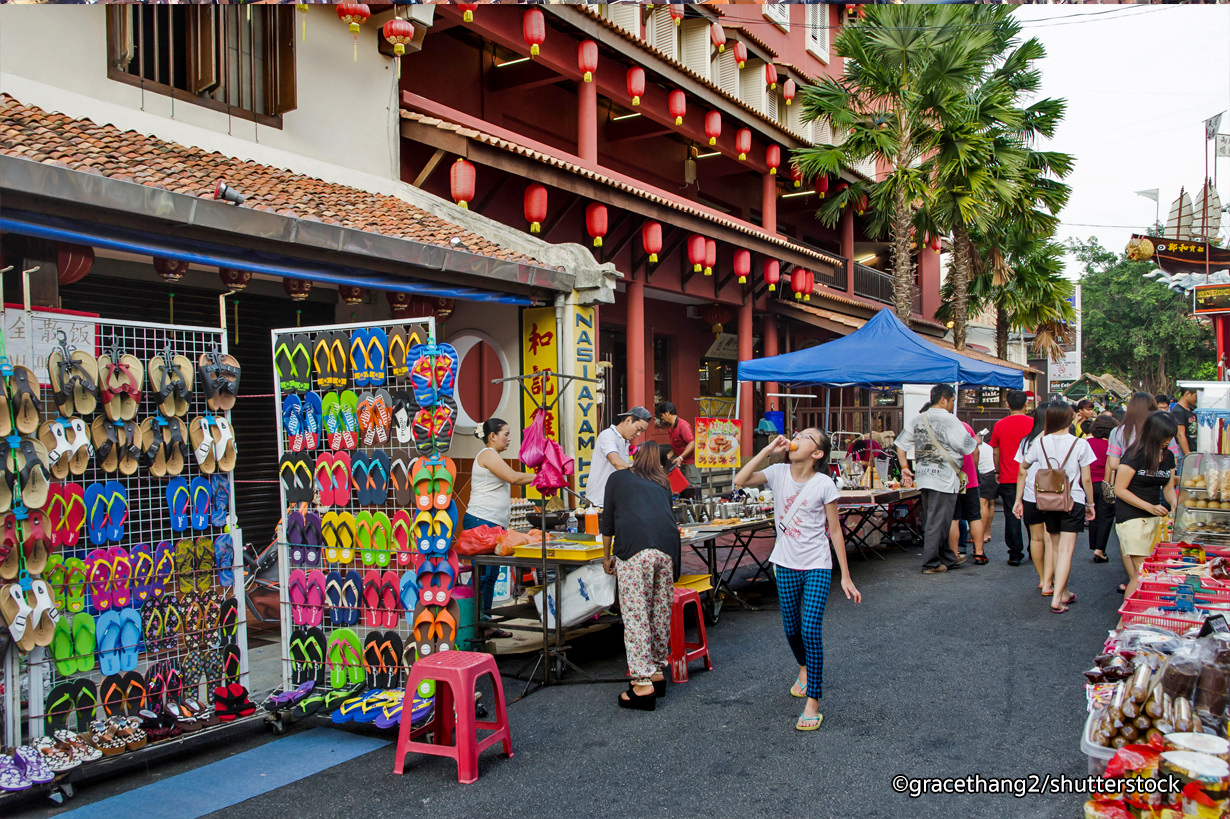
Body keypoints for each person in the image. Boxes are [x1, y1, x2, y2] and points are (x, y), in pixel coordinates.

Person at [734, 427, 860, 731]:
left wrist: (845, 575)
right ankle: (804, 667)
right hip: (785, 563)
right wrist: (767, 451)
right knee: (791, 629)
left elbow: (835, 530)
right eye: (798, 434)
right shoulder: (777, 471)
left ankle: (813, 702)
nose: (797, 437)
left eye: (806, 437)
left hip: (817, 564)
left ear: (817, 453)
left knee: (810, 629)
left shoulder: (824, 484)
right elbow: (739, 481)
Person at [601, 442, 682, 711]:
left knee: (636, 616)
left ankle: (642, 684)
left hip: (635, 552)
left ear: (634, 457)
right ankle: (657, 671)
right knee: (658, 613)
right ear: (658, 462)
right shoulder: (662, 482)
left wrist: (606, 556)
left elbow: (608, 522)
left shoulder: (618, 478)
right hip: (666, 551)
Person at [1013, 401, 1096, 614]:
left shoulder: (1039, 443)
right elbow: (1086, 479)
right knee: (1066, 551)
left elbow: (1023, 466)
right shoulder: (1080, 444)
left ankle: (1064, 591)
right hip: (1073, 500)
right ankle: (1057, 598)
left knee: (1057, 547)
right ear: (1070, 419)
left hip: (1048, 501)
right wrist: (1090, 503)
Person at [895, 384, 977, 575]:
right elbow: (968, 446)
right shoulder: (950, 420)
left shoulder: (918, 419)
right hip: (944, 478)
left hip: (924, 476)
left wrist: (905, 468)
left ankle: (947, 557)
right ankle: (931, 563)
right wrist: (977, 442)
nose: (952, 405)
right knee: (938, 521)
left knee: (936, 519)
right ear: (943, 399)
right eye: (953, 401)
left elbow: (900, 445)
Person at [465, 418, 536, 640]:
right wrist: (543, 478)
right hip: (481, 523)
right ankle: (476, 623)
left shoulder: (494, 456)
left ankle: (485, 622)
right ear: (492, 436)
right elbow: (514, 477)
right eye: (505, 434)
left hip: (492, 525)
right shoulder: (488, 455)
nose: (509, 438)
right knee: (484, 576)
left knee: (491, 575)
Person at [1107, 392, 1168, 593]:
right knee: (1147, 551)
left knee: (1129, 547)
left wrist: (1128, 466)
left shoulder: (1118, 431)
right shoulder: (1157, 431)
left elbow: (1114, 463)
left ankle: (1133, 581)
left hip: (1127, 492)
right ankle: (1137, 585)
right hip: (1148, 493)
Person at [1114, 412, 1178, 602]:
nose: (1168, 441)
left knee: (1150, 572)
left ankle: (1140, 615)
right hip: (1132, 517)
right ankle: (1124, 622)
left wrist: (1175, 506)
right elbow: (1120, 489)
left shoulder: (1168, 456)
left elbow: (1168, 487)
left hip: (1156, 518)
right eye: (1165, 436)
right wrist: (1149, 506)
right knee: (1143, 572)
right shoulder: (1134, 454)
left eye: (1170, 436)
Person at [989, 389, 1034, 566]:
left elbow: (996, 451)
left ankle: (1015, 553)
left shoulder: (1000, 425)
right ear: (1026, 404)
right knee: (1032, 515)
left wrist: (997, 471)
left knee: (1011, 515)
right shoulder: (1034, 423)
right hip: (1030, 477)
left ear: (1007, 404)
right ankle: (1035, 548)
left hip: (1008, 477)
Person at [1015, 405, 1053, 594]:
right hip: (1054, 496)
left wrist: (1018, 499)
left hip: (1031, 495)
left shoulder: (1026, 442)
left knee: (1036, 539)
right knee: (1050, 539)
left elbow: (1021, 473)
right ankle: (1049, 580)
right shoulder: (1055, 440)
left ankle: (1041, 579)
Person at [585, 406, 652, 507]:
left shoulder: (625, 441)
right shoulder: (608, 435)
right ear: (628, 420)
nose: (638, 434)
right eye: (638, 429)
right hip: (598, 501)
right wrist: (641, 477)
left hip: (615, 500)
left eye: (642, 432)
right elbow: (616, 462)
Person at [948, 419, 986, 564]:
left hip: (951, 478)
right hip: (968, 477)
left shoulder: (940, 427)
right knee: (974, 516)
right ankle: (979, 553)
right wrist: (973, 471)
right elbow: (975, 451)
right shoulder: (965, 427)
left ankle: (953, 553)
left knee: (954, 518)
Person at [1086, 415, 1117, 564]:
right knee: (1106, 516)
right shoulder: (1112, 445)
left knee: (1093, 515)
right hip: (1106, 483)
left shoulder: (1086, 443)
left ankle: (1094, 545)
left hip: (1087, 484)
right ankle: (1100, 548)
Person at [654, 401, 698, 499]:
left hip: (690, 463)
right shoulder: (671, 427)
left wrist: (681, 457)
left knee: (692, 490)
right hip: (681, 462)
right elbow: (677, 445)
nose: (662, 418)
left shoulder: (683, 425)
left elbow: (692, 443)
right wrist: (668, 456)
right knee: (681, 490)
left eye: (662, 415)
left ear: (667, 413)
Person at [976, 429, 997, 548]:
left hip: (985, 474)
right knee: (991, 503)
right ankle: (987, 533)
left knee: (982, 504)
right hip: (993, 473)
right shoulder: (988, 447)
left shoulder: (978, 447)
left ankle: (982, 534)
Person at [1171, 386, 1198, 477]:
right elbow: (1180, 434)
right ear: (1187, 394)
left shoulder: (1191, 409)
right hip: (1183, 452)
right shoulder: (1178, 411)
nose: (1196, 399)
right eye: (1195, 396)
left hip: (1192, 449)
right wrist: (1188, 455)